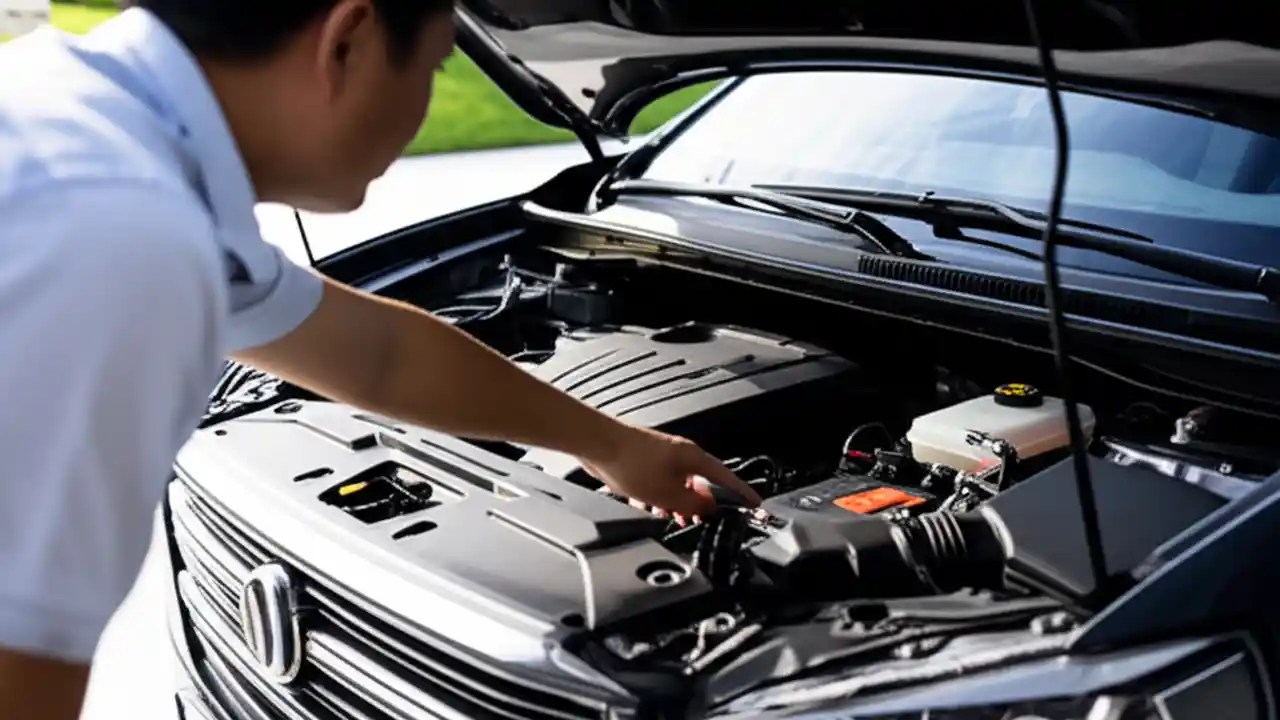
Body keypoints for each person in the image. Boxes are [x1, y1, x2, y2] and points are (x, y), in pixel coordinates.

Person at [0, 1, 761, 716]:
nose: (425, 105)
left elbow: (379, 356)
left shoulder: (85, 127)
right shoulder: (111, 237)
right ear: (349, 42)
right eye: (434, 68)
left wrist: (615, 443)